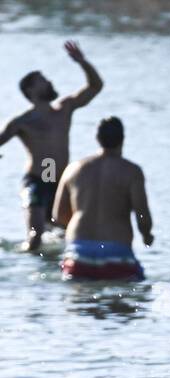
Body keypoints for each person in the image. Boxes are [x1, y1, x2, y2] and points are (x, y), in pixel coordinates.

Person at [0, 41, 102, 253]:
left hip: (61, 182)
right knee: (36, 237)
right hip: (37, 182)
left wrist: (83, 62)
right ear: (31, 90)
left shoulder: (64, 109)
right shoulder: (21, 122)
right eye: (43, 81)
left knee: (71, 234)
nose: (49, 82)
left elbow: (95, 87)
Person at [53, 116, 152, 281]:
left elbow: (58, 215)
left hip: (79, 252)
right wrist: (147, 235)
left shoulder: (74, 169)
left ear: (97, 139)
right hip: (117, 252)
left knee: (80, 304)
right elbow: (142, 215)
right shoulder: (131, 172)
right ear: (122, 139)